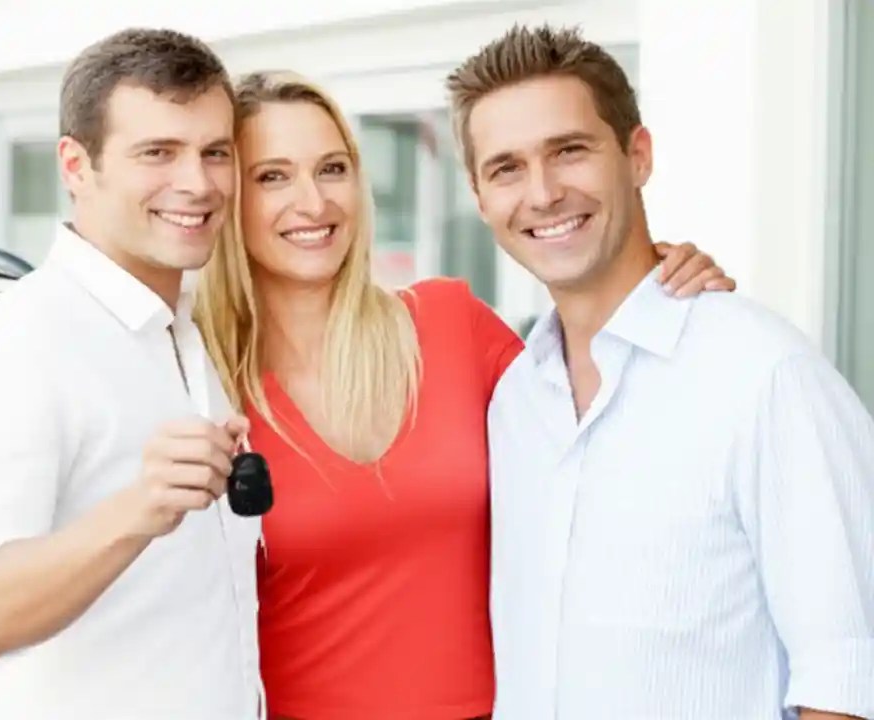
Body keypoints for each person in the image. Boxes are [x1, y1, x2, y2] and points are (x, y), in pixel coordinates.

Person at [193, 69, 734, 719]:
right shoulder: (202, 382)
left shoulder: (449, 324)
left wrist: (650, 281)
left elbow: (612, 424)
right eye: (272, 176)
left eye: (332, 168)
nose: (313, 202)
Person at [447, 24, 874, 720]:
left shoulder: (766, 378)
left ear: (637, 155)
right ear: (479, 194)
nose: (544, 192)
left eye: (570, 151)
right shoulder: (515, 402)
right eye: (507, 168)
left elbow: (849, 676)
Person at [0, 28, 264, 719]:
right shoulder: (22, 340)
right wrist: (139, 510)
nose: (196, 183)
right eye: (158, 153)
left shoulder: (197, 330)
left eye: (214, 153)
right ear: (77, 166)